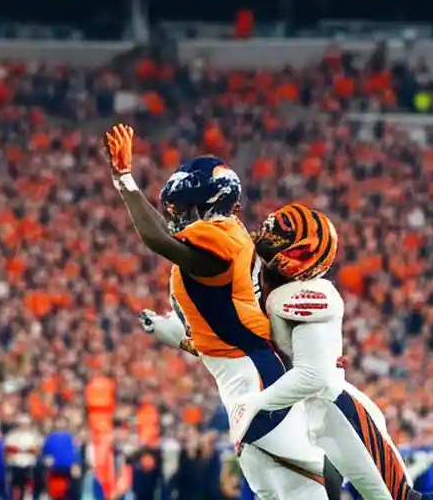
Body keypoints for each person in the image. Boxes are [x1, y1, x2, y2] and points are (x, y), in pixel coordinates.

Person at [105, 125, 326, 500]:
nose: (175, 217)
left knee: (305, 492)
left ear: (207, 204)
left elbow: (159, 240)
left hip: (255, 380)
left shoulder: (219, 237)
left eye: (182, 208)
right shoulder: (226, 238)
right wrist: (172, 332)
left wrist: (125, 181)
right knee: (276, 493)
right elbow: (217, 329)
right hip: (244, 379)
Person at [150, 203, 417, 500]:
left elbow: (313, 376)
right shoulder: (262, 288)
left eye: (279, 231)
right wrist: (186, 341)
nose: (266, 231)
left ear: (299, 250)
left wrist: (255, 403)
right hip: (299, 417)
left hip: (334, 412)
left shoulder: (311, 295)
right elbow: (245, 348)